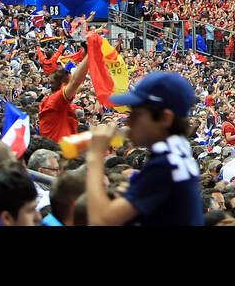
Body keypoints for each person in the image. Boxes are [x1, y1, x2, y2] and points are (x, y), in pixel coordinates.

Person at [85, 70, 202, 226]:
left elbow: (101, 220)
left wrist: (95, 156)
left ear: (165, 118)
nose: (129, 121)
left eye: (136, 114)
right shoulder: (176, 154)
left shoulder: (165, 165)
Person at [38, 38, 92, 142]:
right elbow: (75, 82)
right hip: (57, 152)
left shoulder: (54, 100)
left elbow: (77, 84)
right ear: (64, 85)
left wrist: (86, 56)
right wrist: (90, 54)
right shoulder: (55, 100)